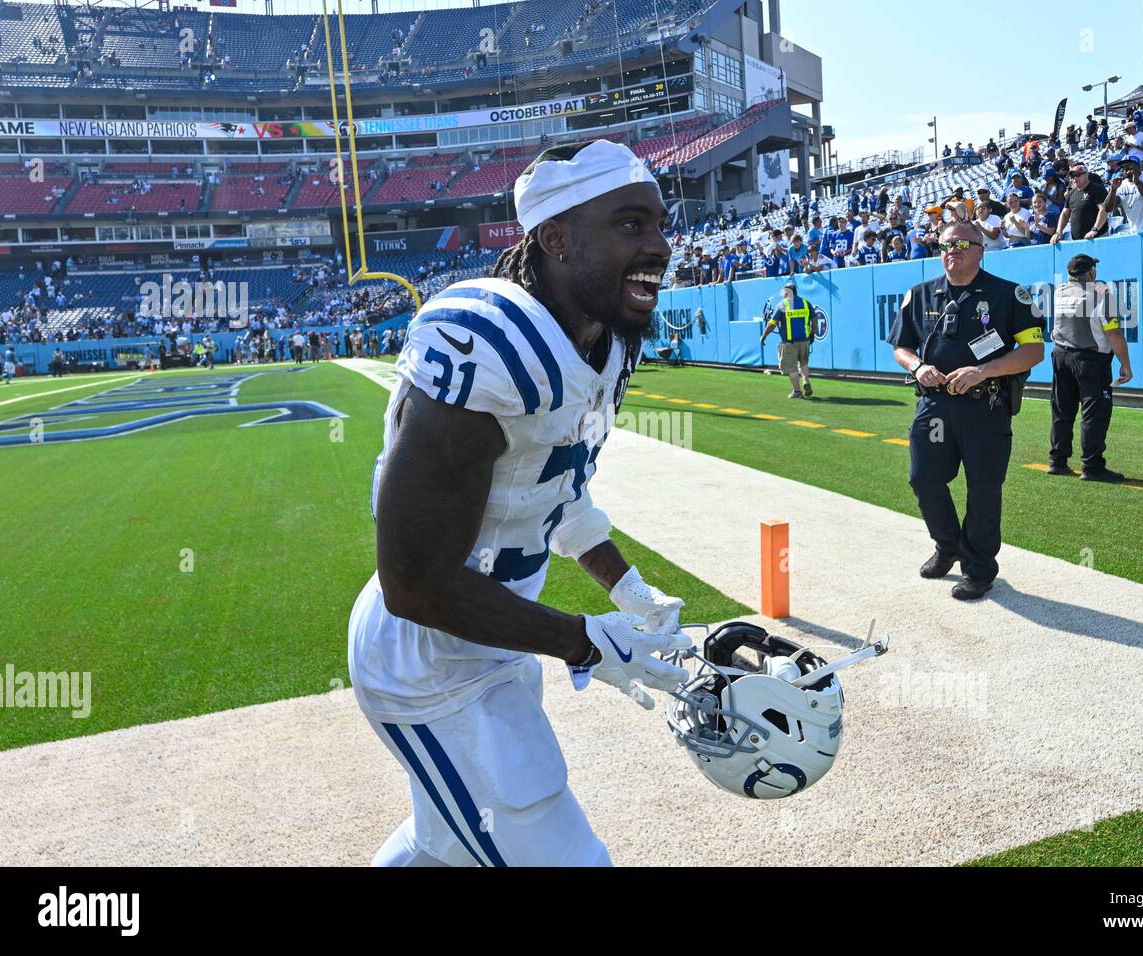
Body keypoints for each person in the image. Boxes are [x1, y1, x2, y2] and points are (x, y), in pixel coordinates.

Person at [348, 139, 692, 869]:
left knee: (443, 849)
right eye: (630, 225)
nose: (659, 246)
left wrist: (625, 588)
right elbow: (416, 583)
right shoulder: (488, 345)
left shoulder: (606, 343)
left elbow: (555, 489)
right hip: (426, 664)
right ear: (558, 238)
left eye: (660, 224)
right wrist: (586, 642)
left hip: (492, 641)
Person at [887, 220, 1045, 600]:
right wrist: (917, 367)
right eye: (943, 245)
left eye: (960, 243)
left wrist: (982, 371)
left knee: (984, 489)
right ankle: (947, 545)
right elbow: (901, 347)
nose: (950, 251)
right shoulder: (920, 295)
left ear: (980, 249)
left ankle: (978, 569)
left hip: (985, 407)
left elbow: (1033, 351)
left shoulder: (1009, 295)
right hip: (935, 405)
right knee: (923, 477)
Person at [1048, 254, 1132, 482]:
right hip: (1090, 361)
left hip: (1060, 356)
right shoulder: (1101, 296)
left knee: (1062, 410)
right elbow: (1113, 333)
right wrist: (1125, 365)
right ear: (1091, 272)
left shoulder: (1059, 292)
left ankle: (1058, 460)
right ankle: (1092, 466)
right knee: (1094, 414)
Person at [760, 279, 816, 399]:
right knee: (804, 363)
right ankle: (806, 381)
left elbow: (772, 324)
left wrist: (764, 336)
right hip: (805, 340)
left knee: (791, 368)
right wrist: (812, 334)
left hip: (789, 343)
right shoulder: (806, 303)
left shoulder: (782, 305)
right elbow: (814, 319)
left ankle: (797, 391)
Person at [1097, 156, 1143, 236]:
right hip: (1137, 234)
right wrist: (1113, 190)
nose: (1126, 170)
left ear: (1138, 167)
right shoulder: (1122, 185)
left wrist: (1137, 183)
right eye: (1123, 168)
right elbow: (1108, 208)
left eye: (1129, 166)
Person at [1052, 164, 1108, 243]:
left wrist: (1095, 229)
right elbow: (1065, 214)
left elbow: (1104, 210)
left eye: (1078, 175)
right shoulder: (1071, 193)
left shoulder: (1097, 189)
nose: (1074, 178)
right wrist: (1058, 232)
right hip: (1077, 240)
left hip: (1097, 238)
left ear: (1087, 174)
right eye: (1072, 175)